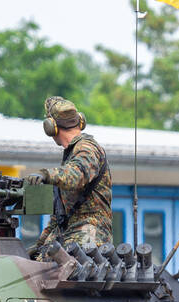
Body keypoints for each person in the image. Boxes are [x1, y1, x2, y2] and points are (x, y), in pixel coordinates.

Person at [25, 96, 113, 252]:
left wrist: (46, 175)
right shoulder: (72, 153)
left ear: (51, 127)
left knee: (66, 268)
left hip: (89, 232)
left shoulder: (87, 148)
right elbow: (60, 214)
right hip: (69, 230)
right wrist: (40, 246)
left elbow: (75, 175)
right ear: (80, 120)